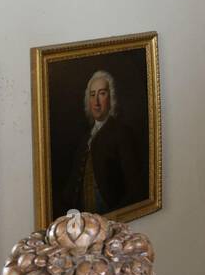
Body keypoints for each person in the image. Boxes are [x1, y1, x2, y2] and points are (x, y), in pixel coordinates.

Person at [61, 70, 146, 216]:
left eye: (102, 93)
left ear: (111, 98)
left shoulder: (122, 133)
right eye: (92, 95)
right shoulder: (85, 138)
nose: (97, 102)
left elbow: (135, 188)